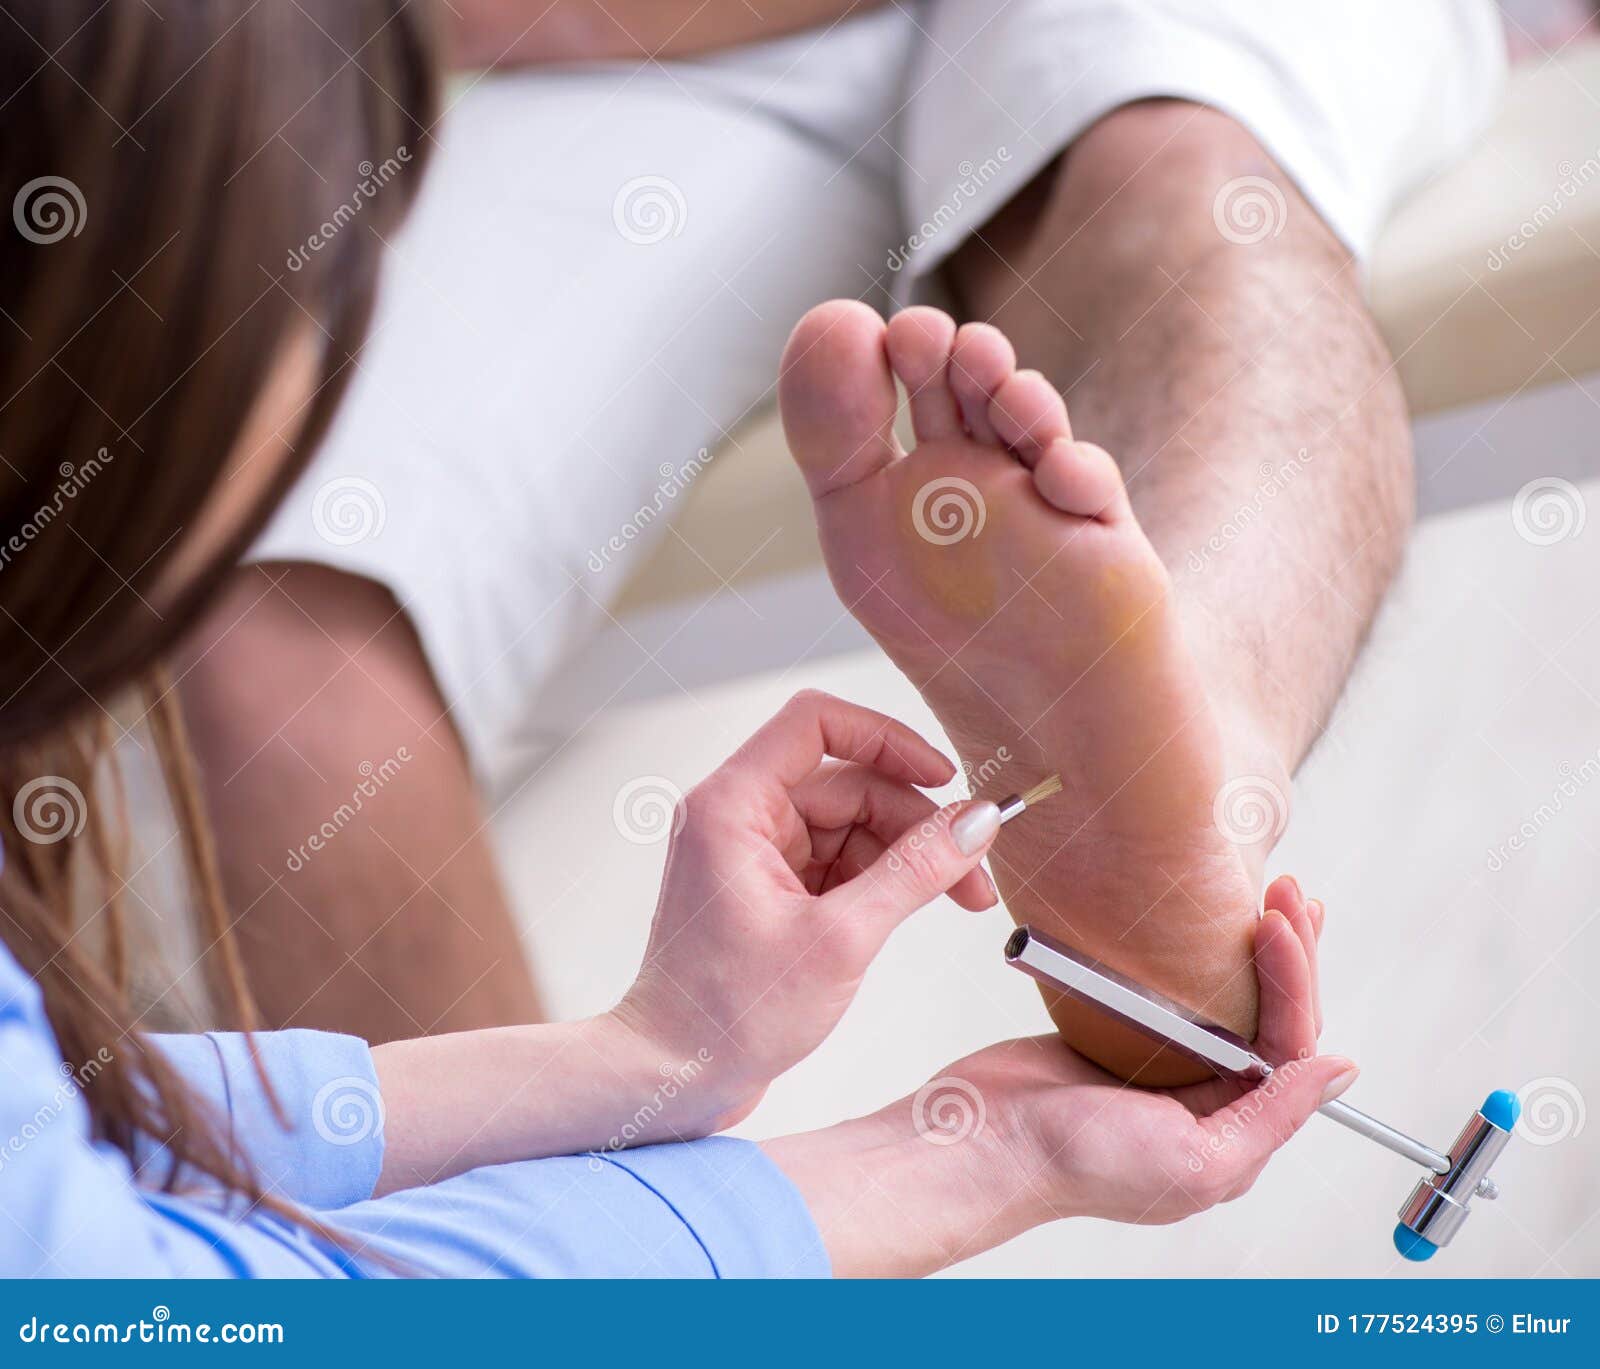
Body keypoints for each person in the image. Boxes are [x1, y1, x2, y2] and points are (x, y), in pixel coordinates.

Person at [0, 0, 1356, 1279]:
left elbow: (78, 1153)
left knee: (1178, 164)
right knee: (289, 614)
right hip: (575, 54)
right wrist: (970, 1154)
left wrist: (644, 1054)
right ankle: (1163, 757)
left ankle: (1199, 749)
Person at [171, 0, 1507, 1043]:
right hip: (621, 56)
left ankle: (1181, 764)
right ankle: (549, 1279)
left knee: (1179, 179)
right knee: (252, 599)